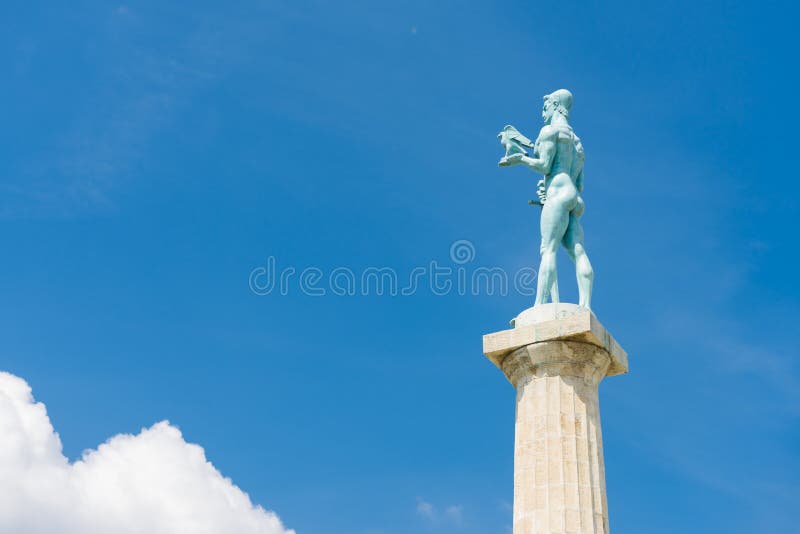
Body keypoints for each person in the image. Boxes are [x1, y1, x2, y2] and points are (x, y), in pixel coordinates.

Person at [499, 89, 593, 308]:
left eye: (544, 107)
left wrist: (520, 159)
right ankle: (586, 306)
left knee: (548, 249)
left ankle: (539, 305)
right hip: (574, 198)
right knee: (578, 250)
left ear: (554, 105)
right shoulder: (577, 144)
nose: (542, 113)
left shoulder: (549, 131)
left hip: (558, 193)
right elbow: (579, 185)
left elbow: (544, 165)